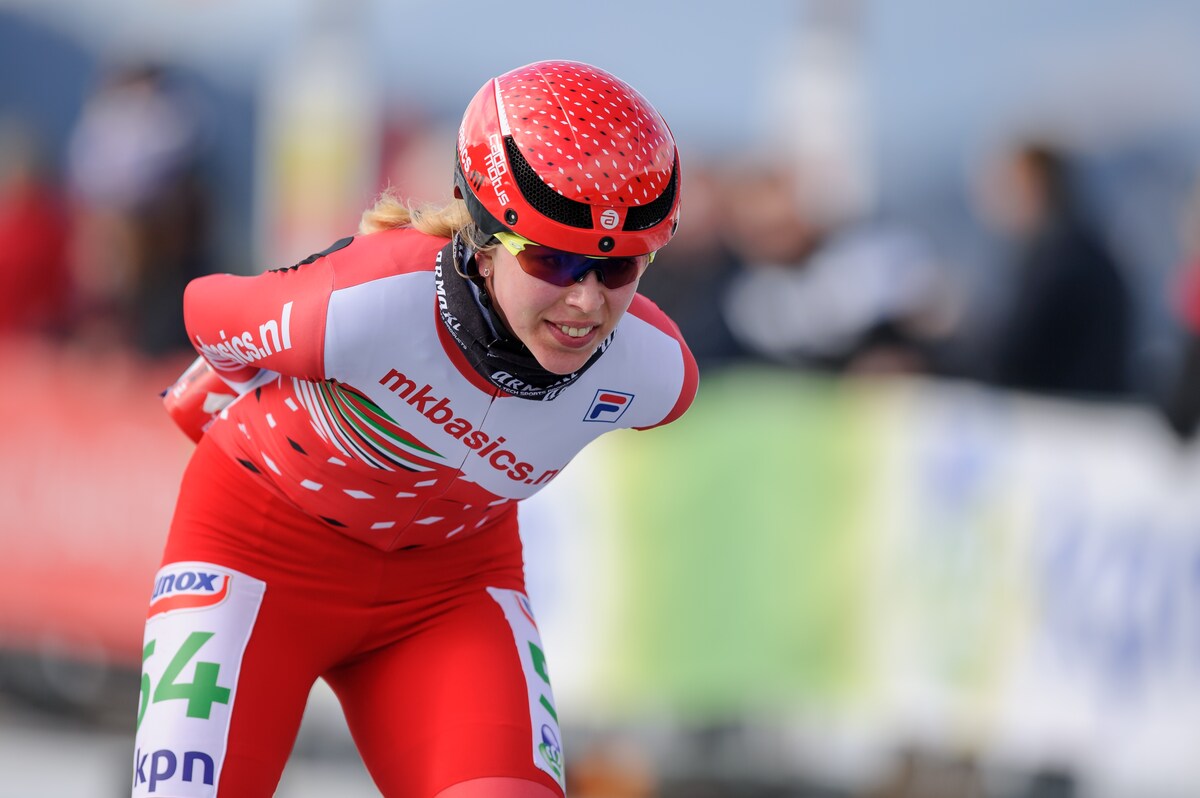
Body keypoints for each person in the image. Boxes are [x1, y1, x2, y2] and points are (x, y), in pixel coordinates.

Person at [134, 60, 697, 798]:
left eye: (619, 268)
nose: (587, 303)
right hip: (259, 552)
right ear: (485, 238)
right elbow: (206, 309)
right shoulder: (360, 307)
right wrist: (218, 397)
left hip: (447, 593)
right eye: (554, 261)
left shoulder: (656, 373)